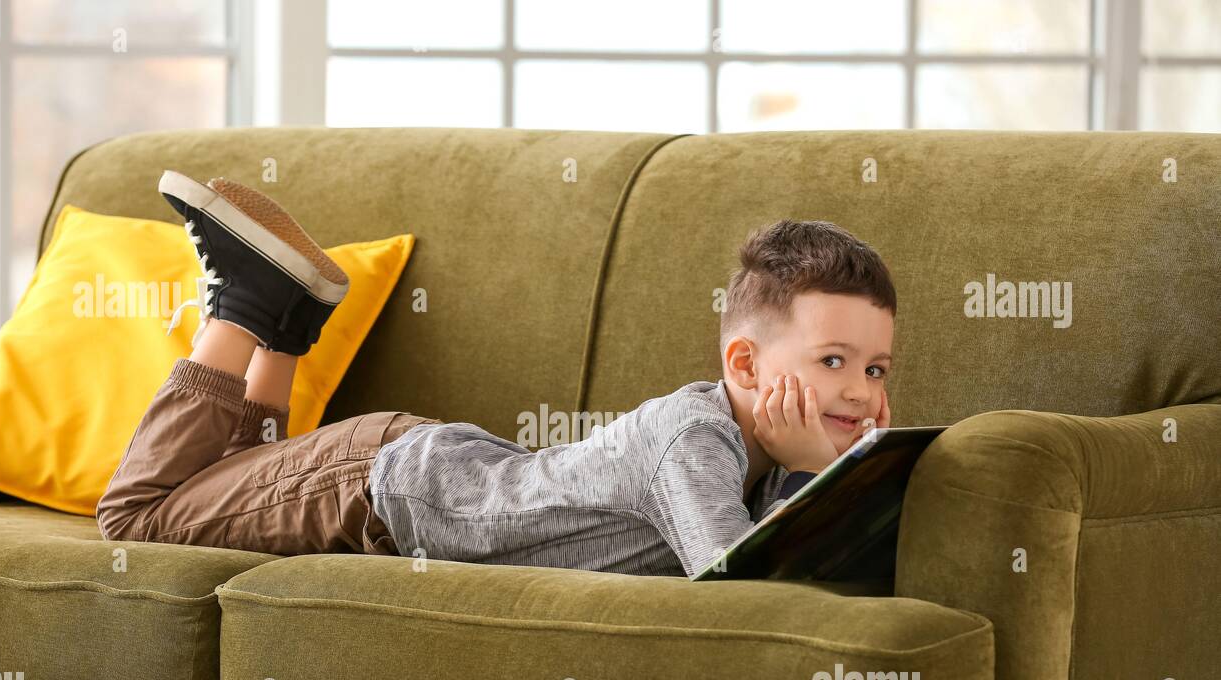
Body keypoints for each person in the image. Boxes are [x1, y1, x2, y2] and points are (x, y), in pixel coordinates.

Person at [96, 173, 893, 579]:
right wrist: (817, 474)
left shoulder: (746, 444)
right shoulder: (696, 440)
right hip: (380, 486)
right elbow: (743, 599)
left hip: (410, 477)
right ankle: (245, 308)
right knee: (135, 522)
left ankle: (285, 325)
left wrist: (825, 471)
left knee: (221, 486)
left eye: (876, 367)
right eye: (833, 362)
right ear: (745, 366)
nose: (860, 391)